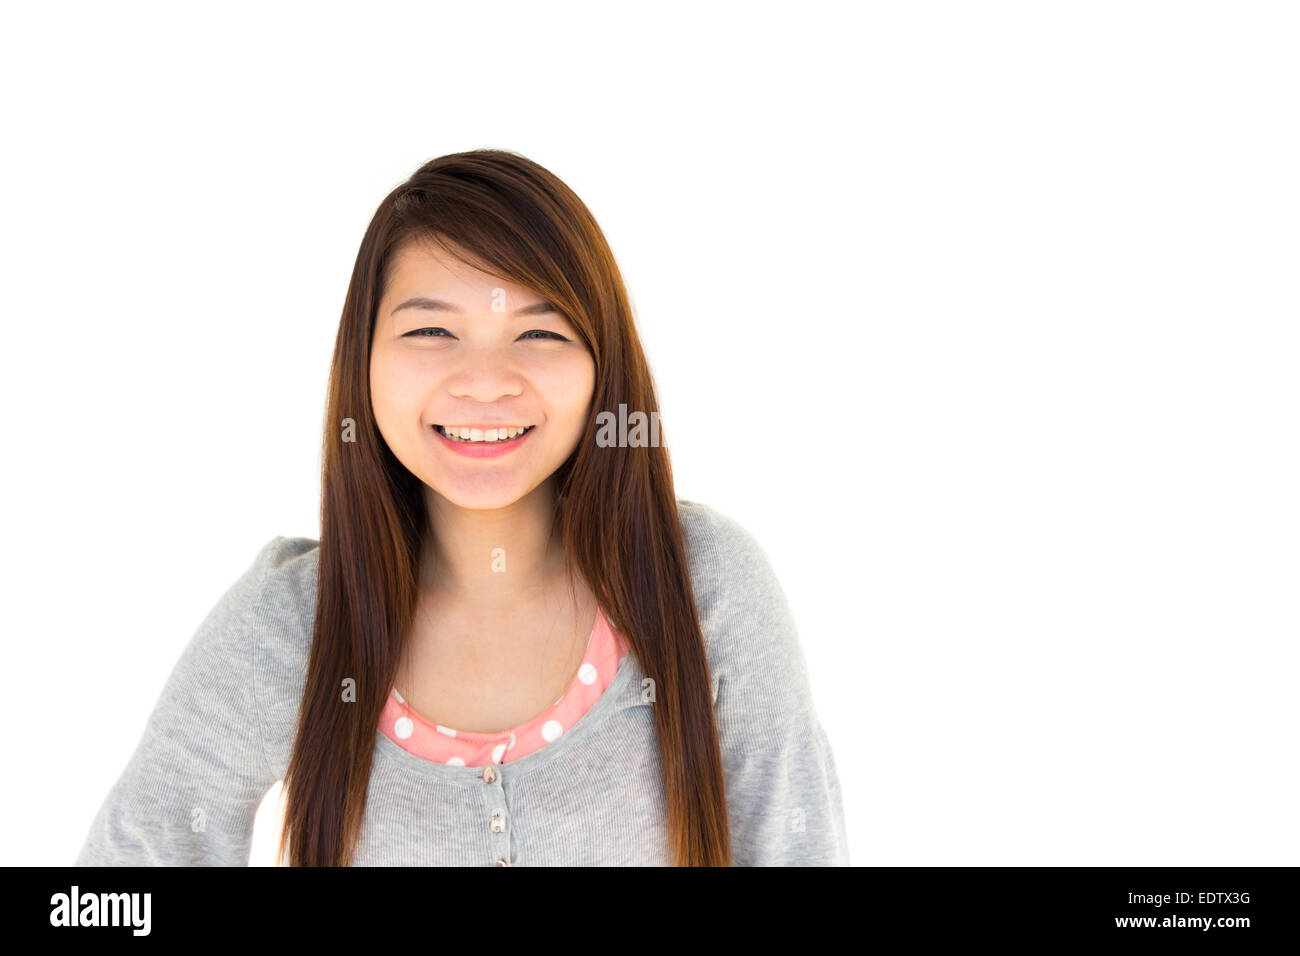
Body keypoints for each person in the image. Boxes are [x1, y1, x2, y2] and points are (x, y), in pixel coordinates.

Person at [75, 148, 849, 866]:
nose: (486, 382)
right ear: (364, 359)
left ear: (602, 365)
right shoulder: (293, 625)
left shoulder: (706, 586)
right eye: (432, 329)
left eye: (540, 331)